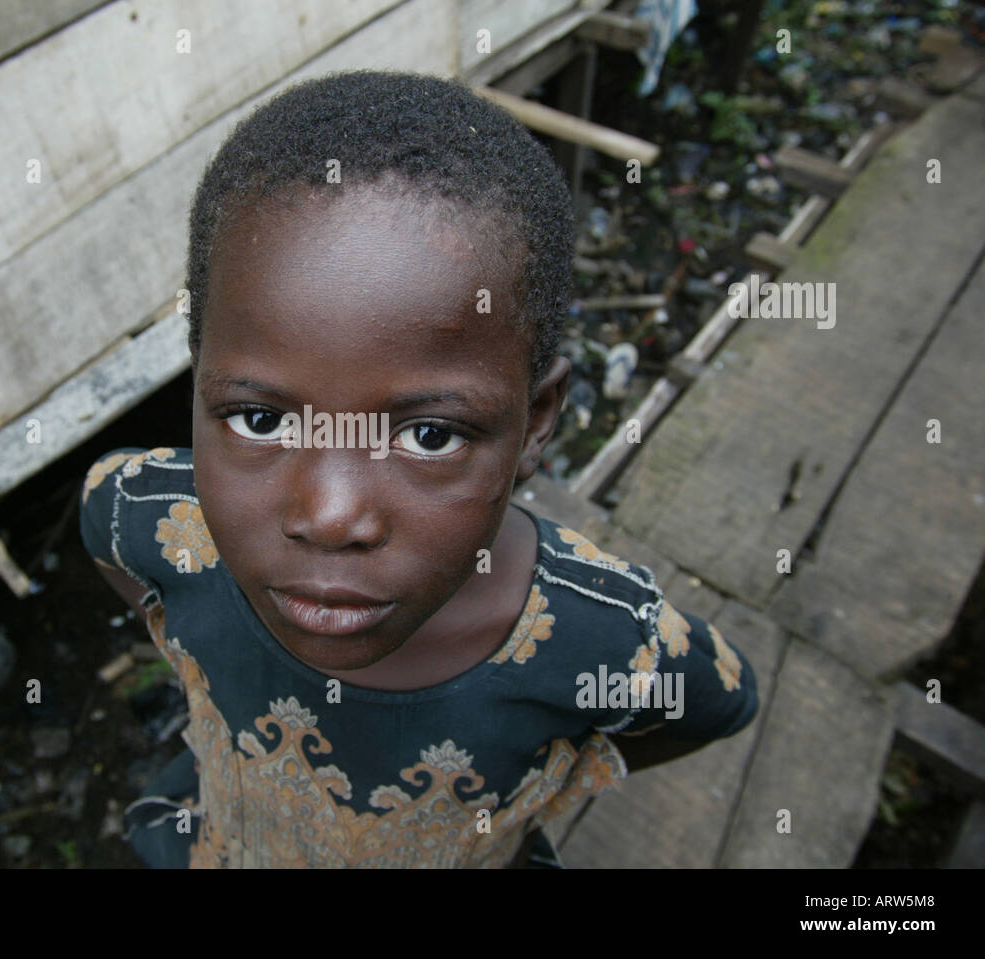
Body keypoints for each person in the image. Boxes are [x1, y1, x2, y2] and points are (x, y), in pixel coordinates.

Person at [79, 70, 758, 868]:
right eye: (261, 420)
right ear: (197, 379)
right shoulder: (154, 518)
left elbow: (713, 704)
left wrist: (527, 784)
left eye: (430, 436)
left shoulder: (604, 640)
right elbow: (115, 544)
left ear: (535, 421)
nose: (329, 515)